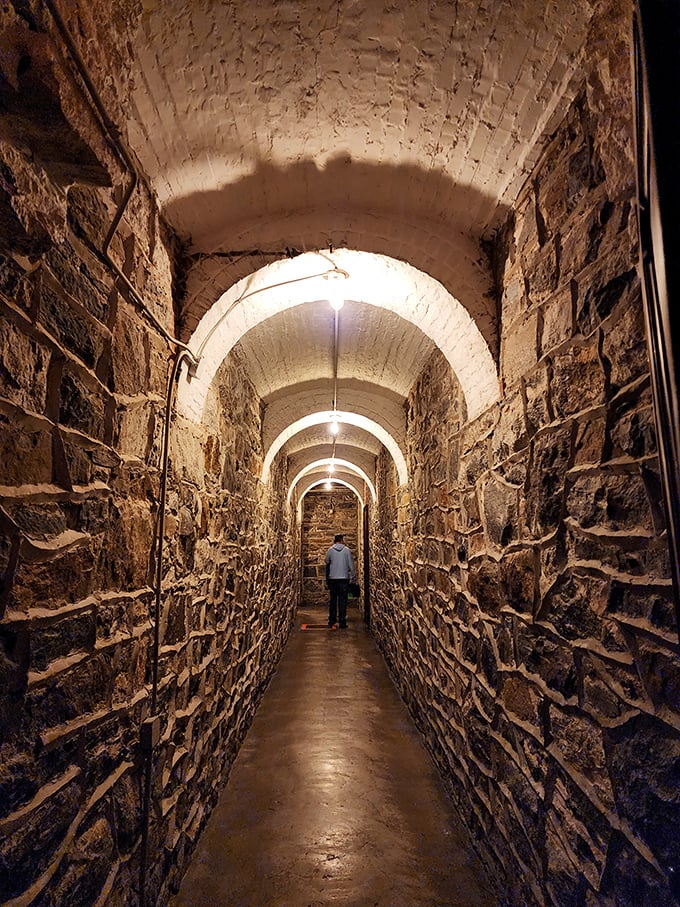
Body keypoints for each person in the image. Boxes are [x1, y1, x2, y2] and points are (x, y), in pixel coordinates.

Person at [324, 533, 356, 629]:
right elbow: (351, 565)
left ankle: (332, 621)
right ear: (341, 540)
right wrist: (353, 576)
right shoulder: (347, 551)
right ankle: (342, 621)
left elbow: (327, 562)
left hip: (333, 578)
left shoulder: (330, 550)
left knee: (333, 600)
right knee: (343, 601)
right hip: (344, 578)